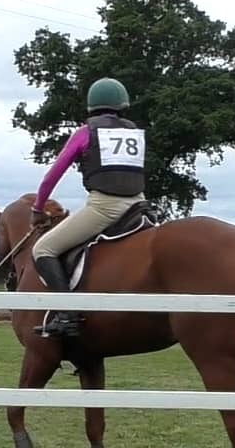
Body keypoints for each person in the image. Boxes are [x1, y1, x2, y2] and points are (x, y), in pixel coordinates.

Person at [27, 77, 148, 338]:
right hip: (140, 205)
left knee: (43, 248)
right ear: (122, 105)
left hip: (105, 206)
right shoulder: (133, 131)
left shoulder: (86, 132)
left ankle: (68, 314)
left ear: (92, 106)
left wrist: (38, 207)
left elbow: (53, 175)